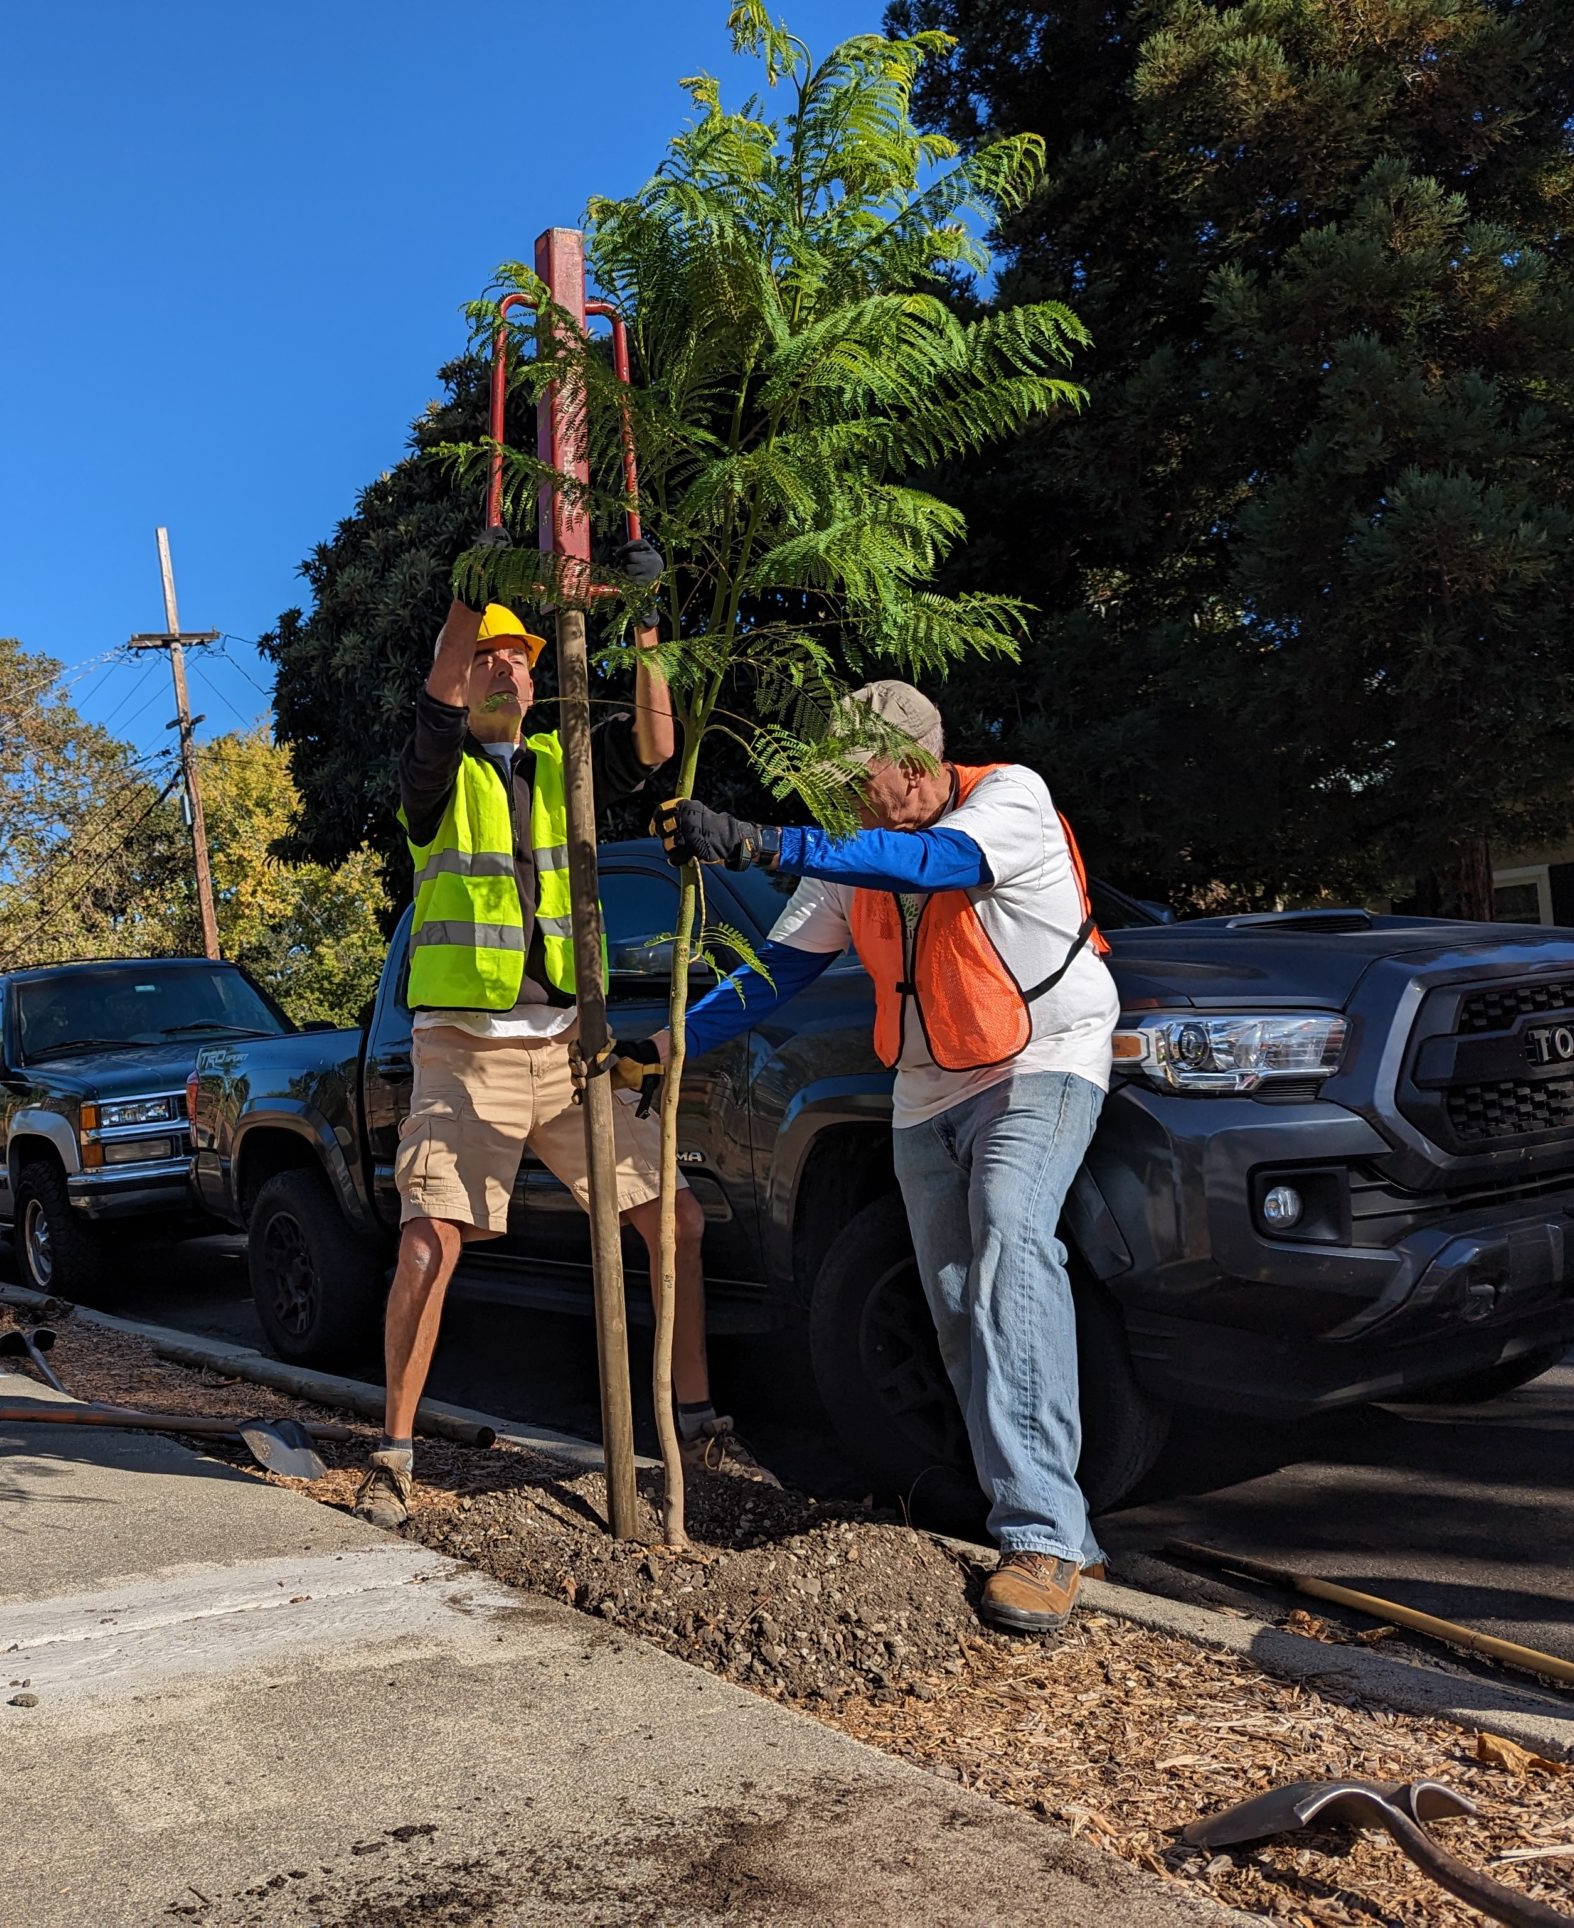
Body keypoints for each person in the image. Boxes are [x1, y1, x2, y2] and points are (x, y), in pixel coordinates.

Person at [654, 681, 1118, 1634]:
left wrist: (763, 839)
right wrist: (667, 1048)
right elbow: (777, 972)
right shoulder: (854, 858)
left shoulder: (1009, 799)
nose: (844, 801)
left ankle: (1043, 1538)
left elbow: (937, 863)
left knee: (1009, 1245)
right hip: (927, 1087)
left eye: (854, 780)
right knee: (954, 1306)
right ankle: (1058, 1521)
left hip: (1042, 1058)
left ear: (911, 765)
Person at [355, 534, 723, 1530]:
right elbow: (435, 694)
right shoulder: (435, 774)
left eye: (519, 655)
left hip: (567, 1048)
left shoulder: (565, 765)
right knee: (430, 1244)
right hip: (461, 1050)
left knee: (673, 1222)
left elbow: (654, 750)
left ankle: (696, 1422)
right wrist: (471, 593)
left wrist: (646, 628)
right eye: (489, 653)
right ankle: (391, 1450)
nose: (505, 666)